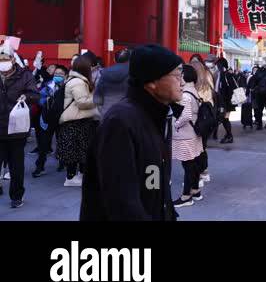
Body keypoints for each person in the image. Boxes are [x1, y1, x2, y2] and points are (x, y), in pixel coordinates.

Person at [80, 44, 183, 221]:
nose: (182, 81)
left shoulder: (157, 116)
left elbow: (155, 181)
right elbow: (122, 201)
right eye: (177, 75)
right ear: (151, 81)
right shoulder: (120, 123)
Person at [0, 43, 38, 207]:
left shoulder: (25, 75)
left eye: (5, 58)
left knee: (16, 164)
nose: (3, 62)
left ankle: (16, 196)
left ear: (13, 59)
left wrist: (26, 97)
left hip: (17, 127)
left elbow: (35, 94)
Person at [57, 56, 101, 187]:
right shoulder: (78, 82)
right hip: (75, 120)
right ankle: (71, 178)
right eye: (90, 66)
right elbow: (82, 103)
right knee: (77, 150)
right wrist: (97, 99)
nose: (92, 68)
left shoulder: (76, 80)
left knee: (77, 149)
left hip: (76, 119)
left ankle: (77, 176)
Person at [172, 65, 204, 208]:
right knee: (194, 163)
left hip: (186, 134)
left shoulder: (185, 95)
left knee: (188, 165)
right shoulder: (194, 91)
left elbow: (186, 115)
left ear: (185, 76)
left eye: (181, 74)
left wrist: (176, 125)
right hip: (194, 132)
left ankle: (186, 196)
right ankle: (195, 190)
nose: (179, 76)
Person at [32, 65, 69, 178]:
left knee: (62, 141)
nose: (57, 76)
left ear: (66, 76)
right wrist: (46, 101)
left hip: (62, 119)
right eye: (56, 74)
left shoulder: (69, 87)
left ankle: (63, 162)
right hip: (47, 119)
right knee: (43, 143)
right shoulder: (48, 85)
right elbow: (39, 98)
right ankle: (40, 166)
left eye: (61, 74)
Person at [190, 58, 216, 185]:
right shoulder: (207, 82)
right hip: (207, 121)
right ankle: (204, 173)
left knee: (197, 149)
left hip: (198, 121)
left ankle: (199, 176)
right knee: (202, 147)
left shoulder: (197, 87)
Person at [94, 48, 130, 117]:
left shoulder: (104, 74)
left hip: (107, 113)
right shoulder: (133, 75)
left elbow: (97, 100)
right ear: (129, 60)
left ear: (114, 59)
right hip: (127, 114)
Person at [214, 57, 238, 144]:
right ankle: (228, 135)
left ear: (221, 65)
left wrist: (226, 100)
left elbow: (230, 89)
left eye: (218, 65)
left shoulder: (226, 75)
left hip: (227, 102)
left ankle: (229, 136)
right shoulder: (222, 74)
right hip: (224, 101)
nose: (216, 66)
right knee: (224, 119)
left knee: (225, 119)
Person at [249, 62, 266, 130]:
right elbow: (254, 81)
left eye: (265, 63)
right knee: (259, 110)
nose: (264, 64)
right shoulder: (259, 71)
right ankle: (260, 124)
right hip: (259, 93)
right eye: (263, 63)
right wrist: (253, 88)